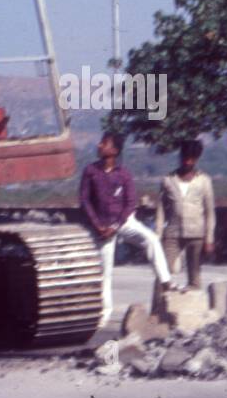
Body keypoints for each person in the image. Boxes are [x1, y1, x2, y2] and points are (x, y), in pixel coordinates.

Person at [79, 131, 172, 326]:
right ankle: (104, 315)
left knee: (151, 239)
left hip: (123, 222)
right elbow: (85, 200)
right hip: (101, 226)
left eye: (104, 143)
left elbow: (130, 203)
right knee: (105, 272)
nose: (99, 145)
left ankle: (166, 281)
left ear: (114, 150)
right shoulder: (90, 171)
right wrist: (98, 225)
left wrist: (115, 225)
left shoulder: (124, 174)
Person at [155, 139, 216, 289]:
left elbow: (210, 213)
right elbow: (160, 211)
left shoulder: (204, 181)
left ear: (196, 159)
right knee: (164, 272)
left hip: (196, 234)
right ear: (180, 156)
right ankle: (160, 302)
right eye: (185, 157)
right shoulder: (168, 180)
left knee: (194, 275)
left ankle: (193, 301)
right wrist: (158, 235)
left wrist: (209, 239)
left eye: (192, 158)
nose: (188, 161)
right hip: (172, 233)